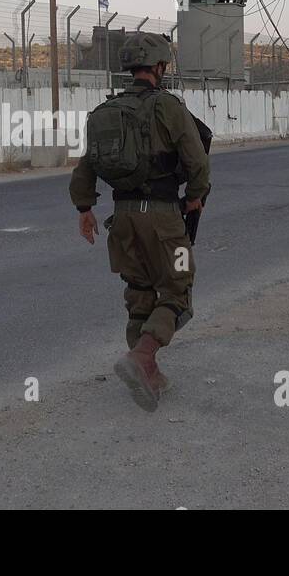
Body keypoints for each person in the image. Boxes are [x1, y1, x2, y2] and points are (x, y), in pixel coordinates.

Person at [69, 32, 210, 411]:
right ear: (160, 67)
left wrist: (85, 210)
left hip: (123, 220)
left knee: (139, 296)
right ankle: (143, 357)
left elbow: (85, 169)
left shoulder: (104, 112)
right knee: (178, 293)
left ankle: (148, 373)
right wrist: (196, 195)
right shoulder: (168, 106)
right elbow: (197, 160)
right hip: (163, 220)